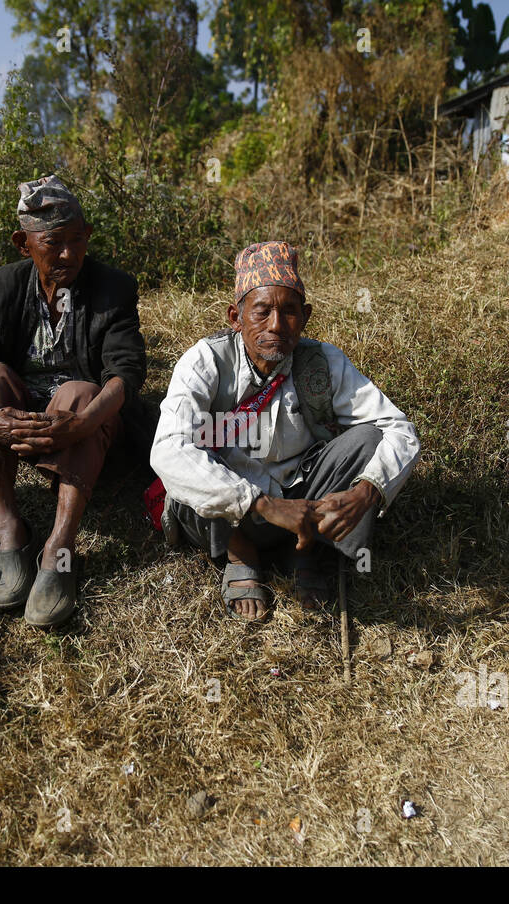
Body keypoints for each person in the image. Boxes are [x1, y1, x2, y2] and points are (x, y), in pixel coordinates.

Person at [150, 241, 420, 622]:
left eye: (289, 311)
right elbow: (167, 449)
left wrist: (366, 491)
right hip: (230, 515)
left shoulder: (321, 362)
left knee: (369, 439)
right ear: (235, 317)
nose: (276, 325)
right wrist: (262, 505)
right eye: (261, 311)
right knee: (188, 464)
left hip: (304, 499)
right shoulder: (205, 361)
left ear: (305, 317)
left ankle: (304, 550)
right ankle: (240, 552)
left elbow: (400, 431)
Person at [0, 174, 148, 628]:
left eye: (78, 240)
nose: (69, 254)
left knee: (80, 392)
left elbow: (126, 374)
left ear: (88, 236)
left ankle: (60, 547)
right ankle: (10, 528)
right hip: (18, 422)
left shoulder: (113, 290)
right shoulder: (1, 289)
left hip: (77, 426)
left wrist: (84, 422)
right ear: (23, 243)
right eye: (54, 242)